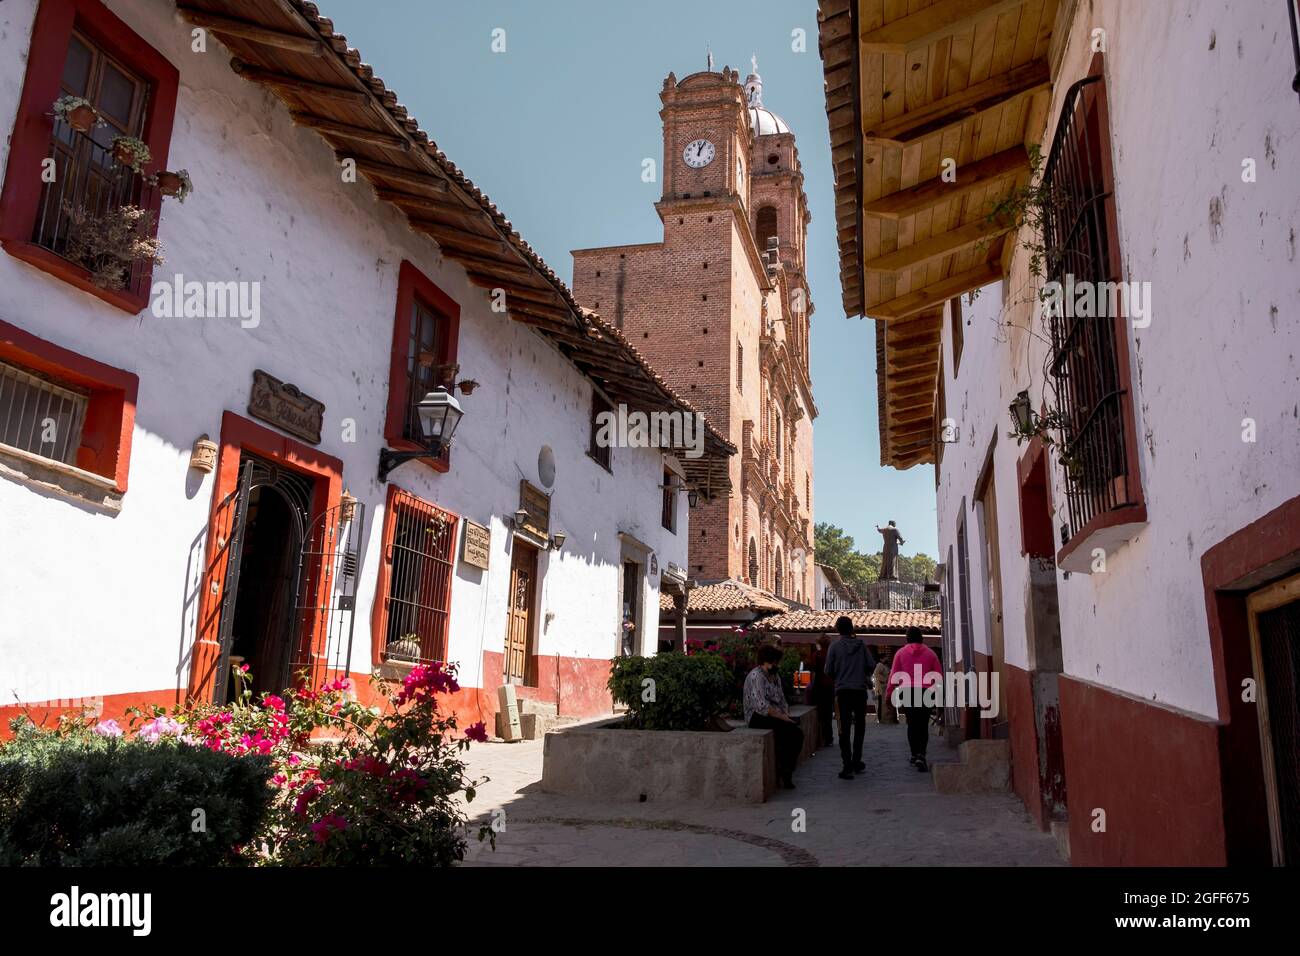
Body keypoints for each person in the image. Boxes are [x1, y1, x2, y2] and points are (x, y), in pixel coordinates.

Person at [744, 643, 804, 789]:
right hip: (757, 716)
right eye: (774, 662)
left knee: (795, 734)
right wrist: (782, 717)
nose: (776, 665)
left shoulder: (775, 676)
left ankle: (787, 769)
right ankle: (785, 772)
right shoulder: (756, 676)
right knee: (790, 732)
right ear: (766, 661)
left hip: (775, 714)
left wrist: (785, 713)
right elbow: (761, 705)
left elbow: (782, 699)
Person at [824, 615, 876, 781]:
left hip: (843, 692)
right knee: (860, 727)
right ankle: (856, 760)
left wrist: (840, 676)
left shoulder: (834, 646)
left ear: (837, 630)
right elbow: (871, 665)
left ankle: (847, 766)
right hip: (859, 691)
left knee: (843, 729)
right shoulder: (861, 646)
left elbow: (828, 670)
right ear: (852, 628)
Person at [889, 626, 942, 771]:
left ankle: (914, 754)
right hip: (926, 691)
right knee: (923, 725)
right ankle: (921, 755)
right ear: (922, 638)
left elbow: (894, 676)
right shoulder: (931, 654)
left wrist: (889, 694)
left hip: (907, 692)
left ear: (907, 639)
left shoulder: (900, 653)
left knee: (912, 724)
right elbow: (938, 678)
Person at [811, 634, 835, 749]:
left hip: (820, 687)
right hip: (831, 687)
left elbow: (815, 672)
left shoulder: (817, 655)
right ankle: (829, 738)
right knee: (828, 714)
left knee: (820, 714)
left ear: (819, 644)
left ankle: (821, 739)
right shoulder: (831, 655)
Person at [872, 649, 897, 724]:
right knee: (881, 704)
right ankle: (883, 719)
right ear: (881, 659)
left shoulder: (884, 666)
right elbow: (876, 674)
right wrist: (885, 680)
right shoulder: (879, 665)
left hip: (885, 687)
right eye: (885, 657)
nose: (886, 658)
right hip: (882, 688)